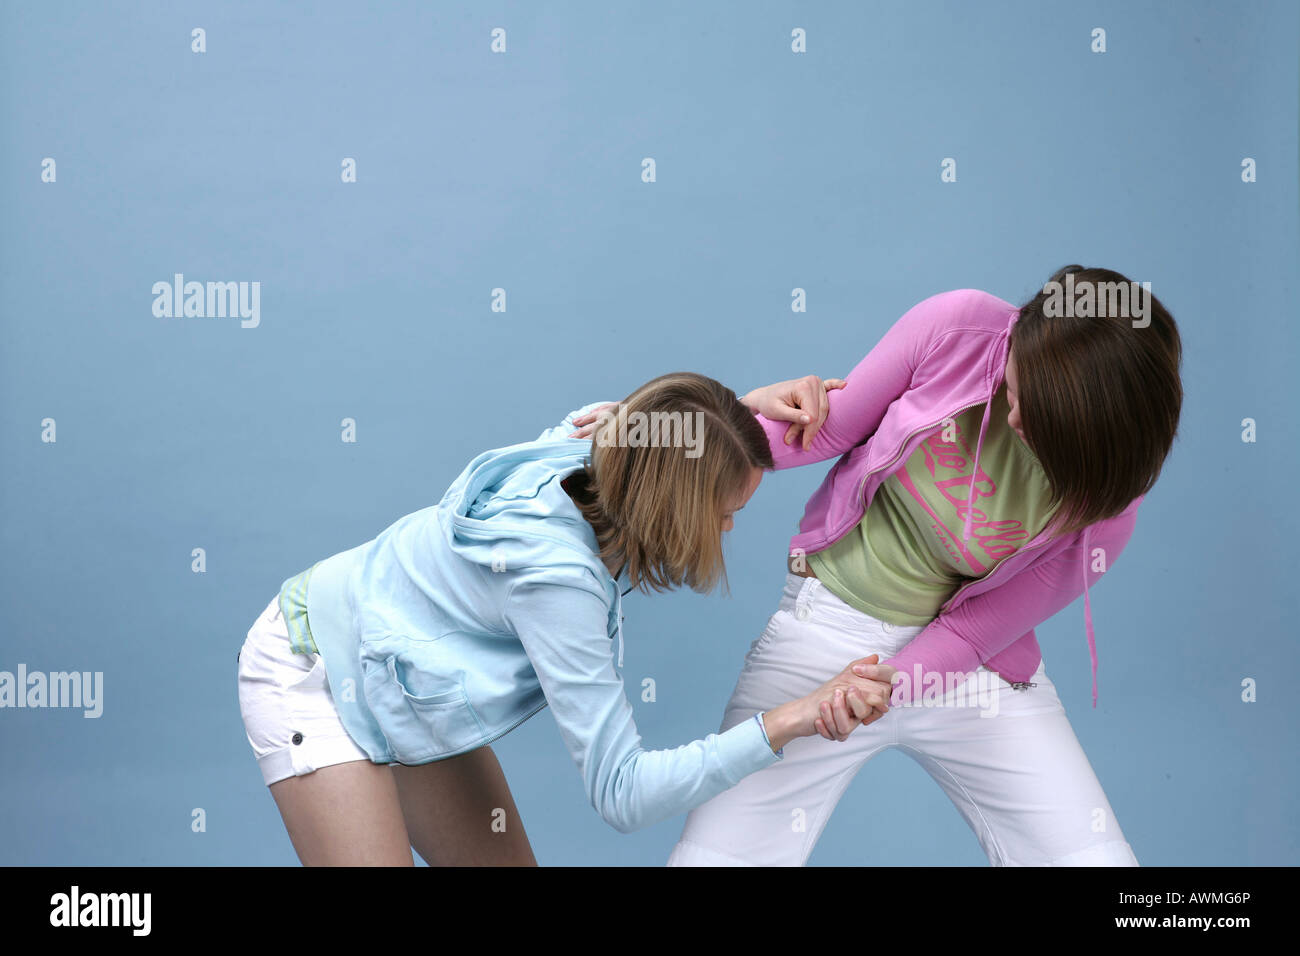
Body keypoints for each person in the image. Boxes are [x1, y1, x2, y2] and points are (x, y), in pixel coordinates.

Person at [621, 266, 1182, 866]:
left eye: (1041, 419)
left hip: (973, 669)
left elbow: (971, 631)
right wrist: (653, 437)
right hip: (827, 628)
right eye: (1020, 386)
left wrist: (880, 687)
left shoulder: (1107, 509)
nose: (1014, 420)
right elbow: (821, 429)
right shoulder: (958, 328)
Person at [237, 371, 894, 865]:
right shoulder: (557, 582)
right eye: (727, 512)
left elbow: (657, 429)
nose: (726, 527)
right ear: (676, 509)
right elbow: (623, 793)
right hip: (314, 670)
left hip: (403, 683)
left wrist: (740, 415)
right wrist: (792, 719)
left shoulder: (599, 442)